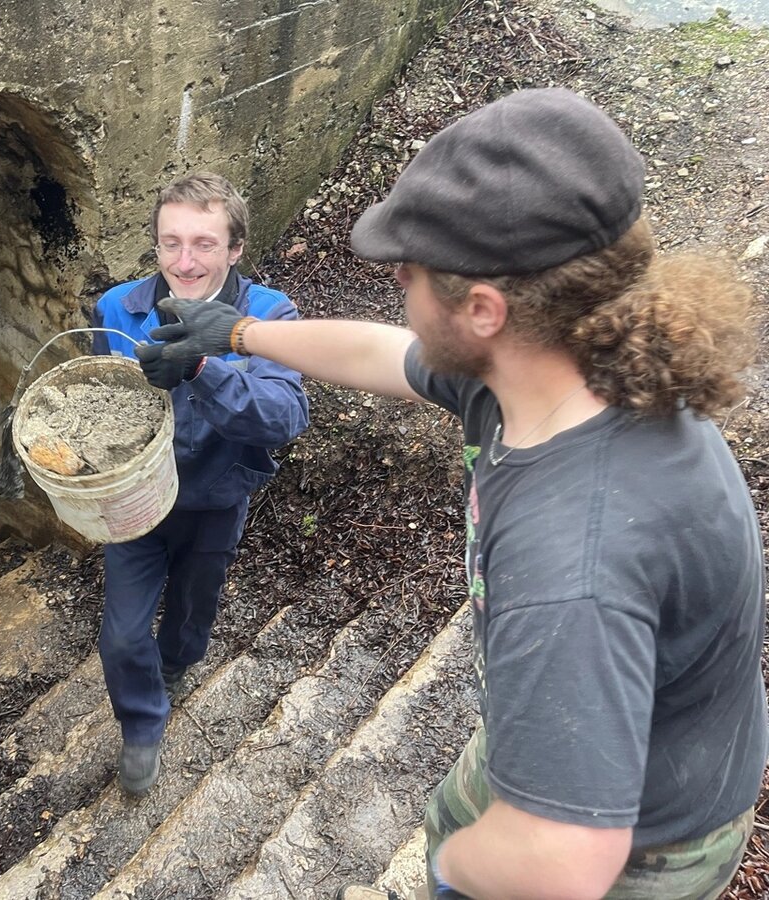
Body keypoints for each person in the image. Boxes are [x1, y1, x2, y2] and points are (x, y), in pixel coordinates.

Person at [151, 90, 767, 899]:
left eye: (412, 269)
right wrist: (236, 333)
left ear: (484, 309)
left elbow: (562, 861)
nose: (396, 275)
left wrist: (448, 865)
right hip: (636, 745)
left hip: (638, 850)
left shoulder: (573, 557)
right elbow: (385, 351)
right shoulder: (556, 367)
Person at [89, 171, 310, 795]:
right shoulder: (118, 307)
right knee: (124, 632)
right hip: (133, 498)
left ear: (236, 249)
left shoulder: (267, 315)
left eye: (205, 244)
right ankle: (141, 723)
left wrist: (205, 367)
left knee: (193, 604)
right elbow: (100, 395)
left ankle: (179, 663)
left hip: (216, 494)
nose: (184, 263)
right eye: (170, 243)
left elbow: (285, 416)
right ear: (155, 244)